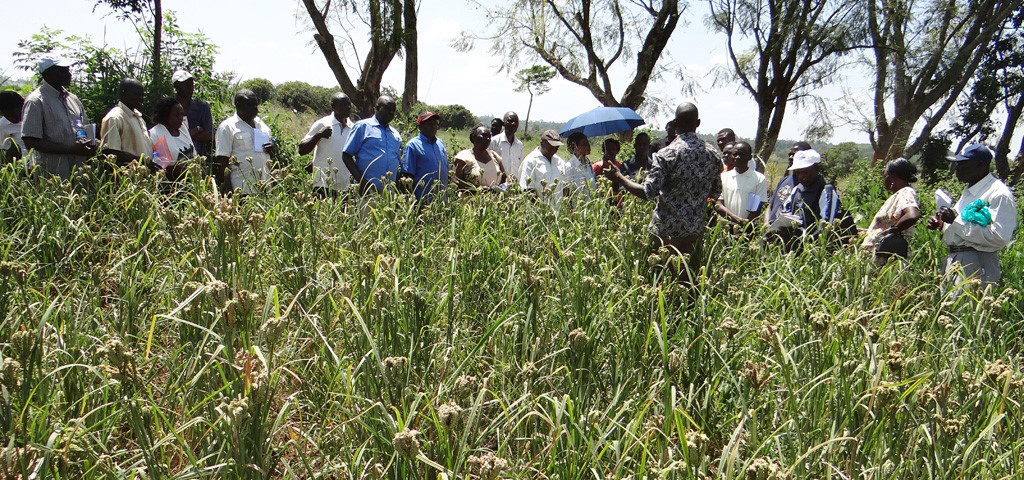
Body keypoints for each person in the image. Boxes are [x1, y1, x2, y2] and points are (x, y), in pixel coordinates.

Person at [603, 102, 722, 268]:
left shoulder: (667, 154)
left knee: (660, 281)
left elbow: (648, 192)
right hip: (694, 232)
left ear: (675, 124)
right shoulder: (713, 154)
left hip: (666, 233)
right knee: (687, 281)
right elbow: (716, 192)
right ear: (698, 123)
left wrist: (618, 177)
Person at [927, 144, 1018, 287]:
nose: (957, 168)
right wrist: (943, 225)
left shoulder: (999, 194)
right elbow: (963, 229)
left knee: (965, 308)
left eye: (963, 164)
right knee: (949, 308)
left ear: (981, 165)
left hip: (976, 262)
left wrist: (955, 220)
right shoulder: (969, 192)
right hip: (955, 258)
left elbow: (999, 237)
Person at [21, 57, 97, 179]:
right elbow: (30, 141)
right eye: (64, 71)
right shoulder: (36, 101)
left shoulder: (73, 99)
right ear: (50, 73)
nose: (69, 74)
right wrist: (71, 149)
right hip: (53, 173)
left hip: (79, 170)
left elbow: (83, 127)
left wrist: (90, 143)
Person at [773, 149, 856, 247]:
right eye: (798, 172)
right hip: (796, 244)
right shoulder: (797, 190)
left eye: (805, 172)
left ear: (817, 169)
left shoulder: (826, 191)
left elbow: (825, 226)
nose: (801, 176)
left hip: (816, 246)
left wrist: (804, 243)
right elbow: (784, 211)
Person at [213, 89, 277, 194]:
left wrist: (272, 148)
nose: (255, 108)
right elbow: (222, 163)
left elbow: (269, 155)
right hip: (242, 190)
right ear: (238, 105)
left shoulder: (262, 125)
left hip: (265, 188)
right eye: (250, 105)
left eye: (256, 104)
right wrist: (229, 192)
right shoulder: (227, 127)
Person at [861, 158, 921, 265]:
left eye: (885, 175)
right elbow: (886, 225)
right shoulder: (898, 195)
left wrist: (890, 233)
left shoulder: (906, 192)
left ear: (893, 176)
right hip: (878, 257)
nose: (884, 179)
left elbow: (912, 215)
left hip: (886, 260)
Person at [342, 95, 402, 193]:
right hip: (367, 191)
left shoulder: (395, 134)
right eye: (387, 109)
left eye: (393, 110)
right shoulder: (362, 126)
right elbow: (346, 155)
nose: (391, 113)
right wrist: (362, 181)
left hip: (389, 193)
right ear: (377, 108)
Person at [299, 92, 353, 197]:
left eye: (349, 104)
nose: (348, 107)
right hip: (322, 183)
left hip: (344, 186)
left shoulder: (353, 128)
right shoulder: (323, 123)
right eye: (343, 105)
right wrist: (318, 135)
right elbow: (301, 150)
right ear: (333, 106)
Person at [100, 78, 153, 165]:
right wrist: (142, 162)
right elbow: (110, 153)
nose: (141, 98)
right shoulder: (114, 117)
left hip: (142, 175)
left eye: (142, 95)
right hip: (125, 176)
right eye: (136, 94)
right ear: (124, 94)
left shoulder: (139, 117)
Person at [715, 141, 768, 227]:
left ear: (749, 157)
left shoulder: (758, 179)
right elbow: (719, 204)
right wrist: (737, 220)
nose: (737, 157)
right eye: (735, 154)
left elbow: (756, 208)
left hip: (747, 228)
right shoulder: (723, 177)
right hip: (726, 227)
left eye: (741, 154)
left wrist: (745, 226)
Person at [400, 111, 449, 203]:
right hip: (422, 201)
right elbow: (407, 176)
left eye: (435, 123)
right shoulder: (412, 145)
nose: (433, 126)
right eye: (429, 124)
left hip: (442, 200)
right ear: (420, 127)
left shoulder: (440, 143)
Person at [519, 129, 571, 209]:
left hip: (558, 214)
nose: (555, 148)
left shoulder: (560, 162)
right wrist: (543, 210)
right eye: (552, 145)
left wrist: (568, 206)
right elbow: (527, 190)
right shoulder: (531, 161)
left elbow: (566, 187)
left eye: (557, 145)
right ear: (542, 144)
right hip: (537, 214)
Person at [148, 96, 195, 180]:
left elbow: (194, 153)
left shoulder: (182, 128)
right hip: (171, 185)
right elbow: (162, 166)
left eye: (182, 114)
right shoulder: (156, 134)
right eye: (177, 115)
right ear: (165, 116)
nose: (181, 118)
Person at [765, 141, 812, 226]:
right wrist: (766, 223)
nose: (790, 157)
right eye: (789, 154)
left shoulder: (809, 185)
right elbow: (771, 205)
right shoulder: (784, 180)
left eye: (794, 155)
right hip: (771, 233)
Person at [172, 70, 214, 157]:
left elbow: (210, 135)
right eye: (186, 85)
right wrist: (196, 130)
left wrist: (181, 135)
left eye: (191, 84)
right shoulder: (169, 107)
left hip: (199, 158)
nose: (190, 87)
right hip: (174, 158)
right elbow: (165, 134)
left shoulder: (202, 107)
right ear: (176, 86)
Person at [454, 124, 507, 191]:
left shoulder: (494, 155)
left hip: (494, 200)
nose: (488, 139)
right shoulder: (463, 157)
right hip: (471, 199)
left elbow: (504, 178)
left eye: (489, 136)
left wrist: (499, 189)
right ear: (474, 137)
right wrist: (475, 190)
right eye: (484, 135)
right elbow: (456, 180)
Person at [489, 111, 524, 179]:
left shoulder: (519, 145)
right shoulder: (493, 141)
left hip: (513, 186)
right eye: (510, 121)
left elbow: (520, 167)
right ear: (504, 123)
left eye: (516, 122)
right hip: (497, 184)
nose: (513, 123)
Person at [592, 138, 624, 207]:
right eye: (608, 149)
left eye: (613, 149)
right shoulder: (596, 166)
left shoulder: (621, 166)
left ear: (617, 151)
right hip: (601, 201)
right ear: (604, 151)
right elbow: (594, 181)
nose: (611, 152)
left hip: (618, 201)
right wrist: (604, 165)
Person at [564, 131, 597, 198]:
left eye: (588, 143)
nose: (588, 146)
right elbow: (567, 192)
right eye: (584, 144)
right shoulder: (569, 166)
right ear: (574, 146)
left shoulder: (589, 163)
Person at [0, 91, 25, 162]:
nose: (11, 118)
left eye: (13, 113)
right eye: (7, 116)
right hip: (24, 166)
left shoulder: (35, 117)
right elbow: (3, 148)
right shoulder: (3, 125)